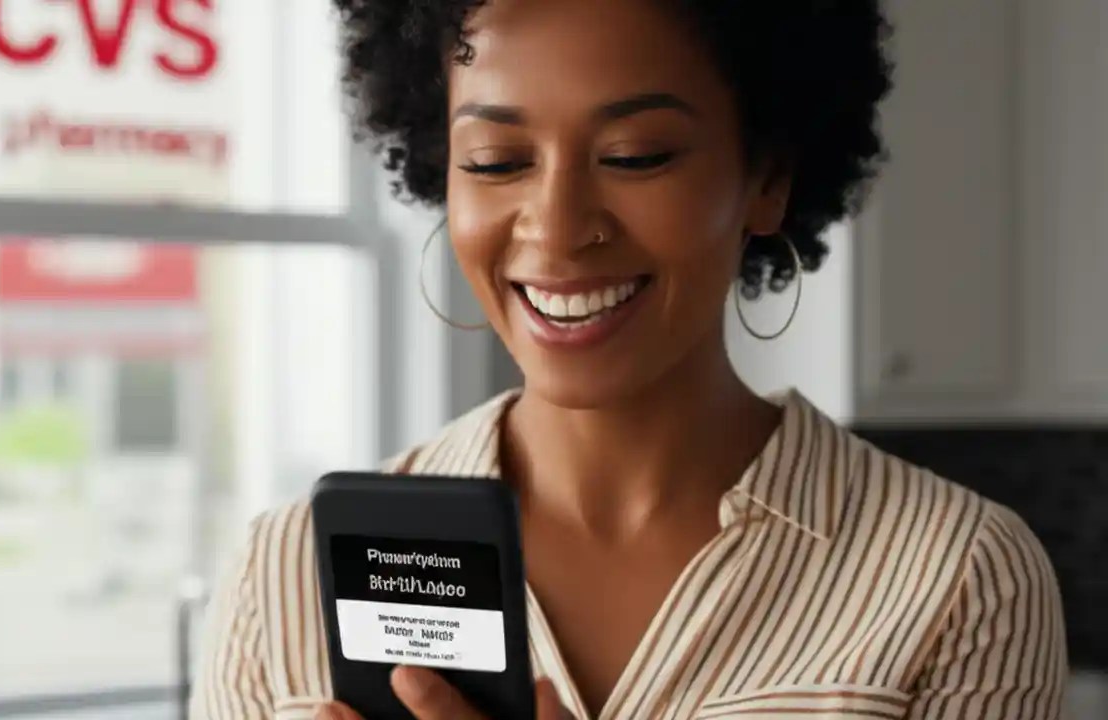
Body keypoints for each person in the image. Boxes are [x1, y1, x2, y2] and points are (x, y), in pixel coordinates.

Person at [190, 0, 1069, 717]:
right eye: (495, 162)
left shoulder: (958, 576)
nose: (558, 228)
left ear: (767, 178)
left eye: (634, 155)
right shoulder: (285, 577)